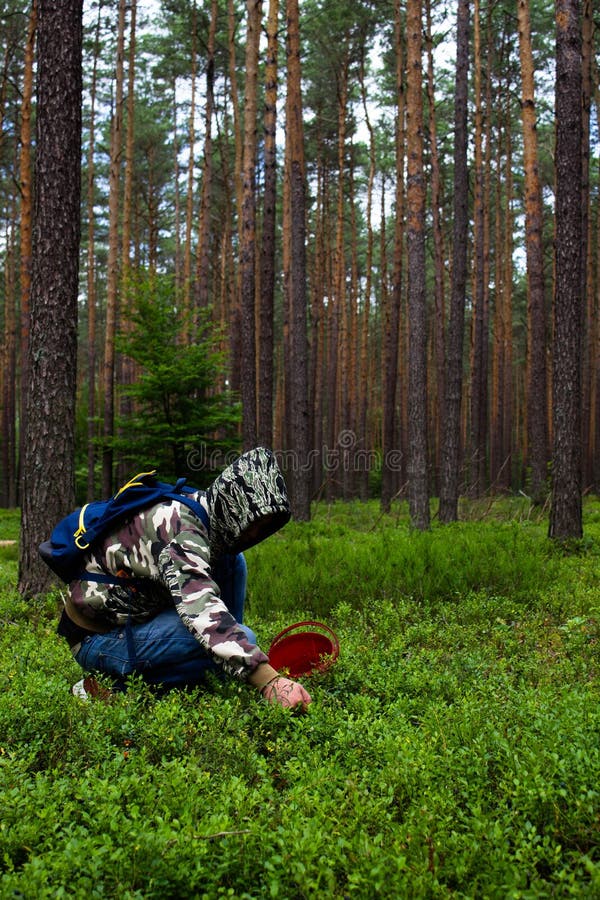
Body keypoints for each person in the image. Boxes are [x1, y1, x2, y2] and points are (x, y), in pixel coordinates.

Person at [57, 447, 312, 711]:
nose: (253, 534)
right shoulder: (183, 534)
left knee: (233, 560)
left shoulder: (201, 508)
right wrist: (269, 680)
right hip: (95, 638)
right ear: (234, 505)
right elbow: (203, 613)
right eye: (253, 524)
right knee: (238, 635)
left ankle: (230, 660)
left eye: (263, 528)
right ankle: (108, 687)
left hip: (137, 616)